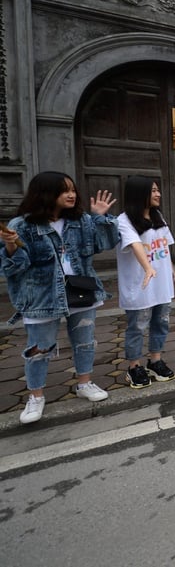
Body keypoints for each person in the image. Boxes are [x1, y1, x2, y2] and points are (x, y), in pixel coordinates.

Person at [0, 172, 119, 425]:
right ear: (45, 194)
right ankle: (36, 396)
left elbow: (106, 242)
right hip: (42, 296)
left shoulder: (82, 221)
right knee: (38, 349)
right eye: (64, 190)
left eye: (72, 189)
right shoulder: (22, 226)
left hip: (80, 289)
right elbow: (13, 268)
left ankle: (84, 384)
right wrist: (10, 247)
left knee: (85, 341)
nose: (72, 194)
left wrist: (100, 218)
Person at [117, 176, 175, 389]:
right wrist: (148, 268)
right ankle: (134, 366)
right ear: (139, 193)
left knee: (161, 322)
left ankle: (155, 361)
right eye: (153, 191)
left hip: (162, 284)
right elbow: (135, 245)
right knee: (138, 326)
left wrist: (169, 268)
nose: (158, 194)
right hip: (140, 285)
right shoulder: (124, 220)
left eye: (157, 190)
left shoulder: (157, 215)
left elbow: (165, 244)